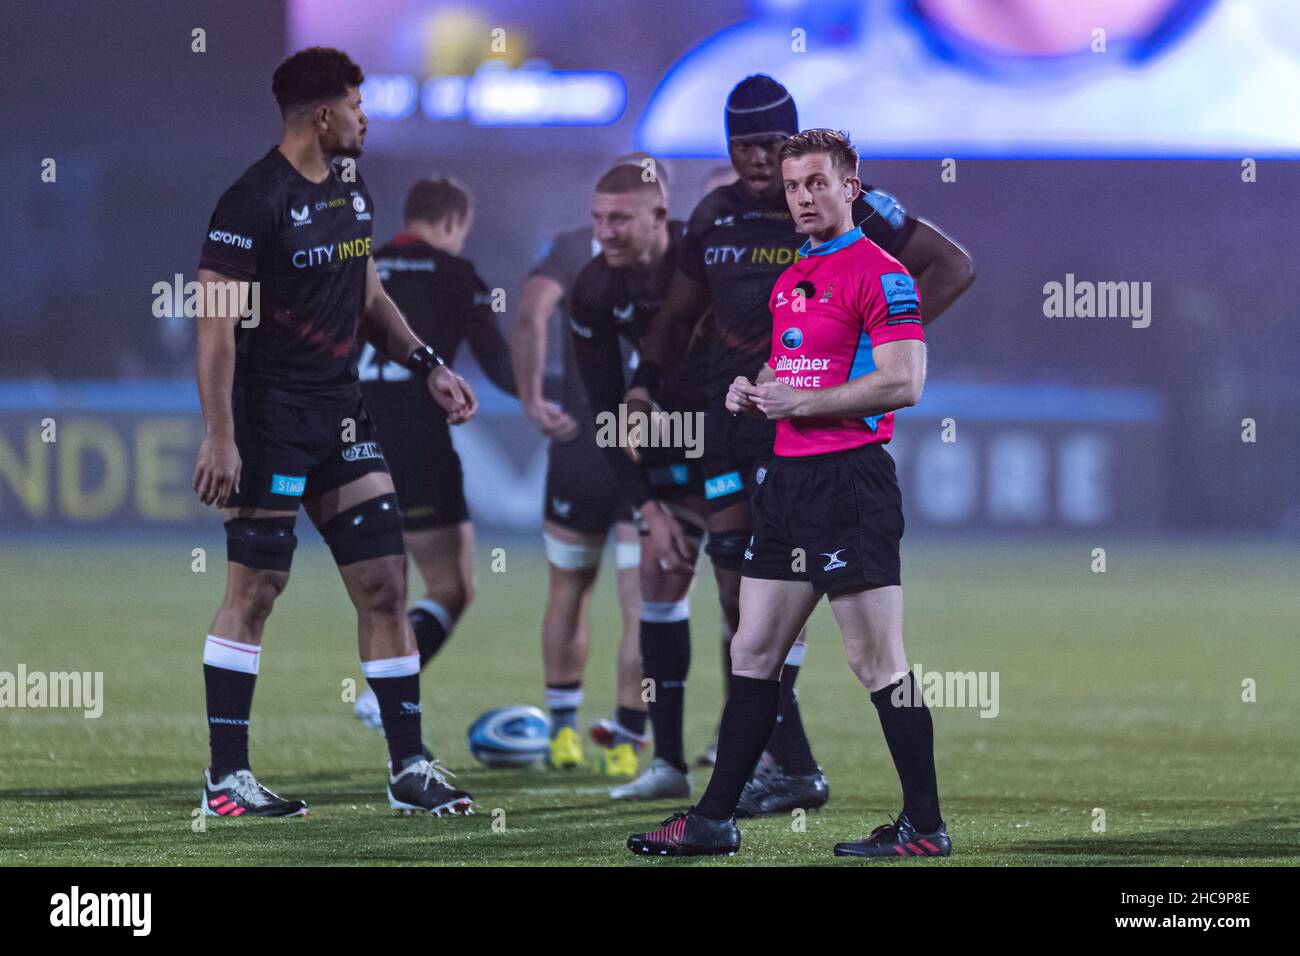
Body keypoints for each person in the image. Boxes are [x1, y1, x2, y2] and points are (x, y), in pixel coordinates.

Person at [627, 74, 973, 816]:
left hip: (843, 470)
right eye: (790, 182)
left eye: (812, 180)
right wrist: (733, 386)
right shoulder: (775, 262)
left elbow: (913, 358)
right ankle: (721, 813)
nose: (793, 190)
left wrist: (869, 356)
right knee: (747, 634)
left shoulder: (875, 255)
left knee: (872, 657)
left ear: (846, 186)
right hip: (769, 453)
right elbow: (744, 342)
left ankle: (922, 820)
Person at [192, 47, 477, 818]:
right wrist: (221, 435)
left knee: (386, 583)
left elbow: (368, 293)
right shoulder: (251, 202)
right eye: (357, 104)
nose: (366, 117)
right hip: (270, 419)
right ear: (323, 116)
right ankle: (226, 780)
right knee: (255, 591)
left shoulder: (352, 189)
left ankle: (408, 768)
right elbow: (215, 330)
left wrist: (427, 364)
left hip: (343, 413)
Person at [351, 176, 516, 741]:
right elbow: (500, 367)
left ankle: (385, 695)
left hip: (352, 447)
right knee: (452, 585)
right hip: (420, 448)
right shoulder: (457, 275)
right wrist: (564, 393)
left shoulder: (360, 265)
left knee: (381, 587)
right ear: (452, 222)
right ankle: (384, 699)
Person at [567, 164, 711, 800]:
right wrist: (646, 507)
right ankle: (669, 764)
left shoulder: (703, 256)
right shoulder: (594, 288)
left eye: (618, 219)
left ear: (660, 216)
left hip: (738, 430)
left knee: (748, 600)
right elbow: (606, 412)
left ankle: (772, 750)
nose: (605, 233)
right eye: (598, 219)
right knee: (658, 577)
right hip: (669, 439)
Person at [511, 163, 650, 775]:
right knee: (643, 601)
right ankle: (627, 741)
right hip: (651, 446)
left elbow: (528, 315)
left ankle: (563, 732)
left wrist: (533, 398)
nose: (606, 229)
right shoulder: (677, 261)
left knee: (569, 590)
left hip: (581, 447)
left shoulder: (569, 249)